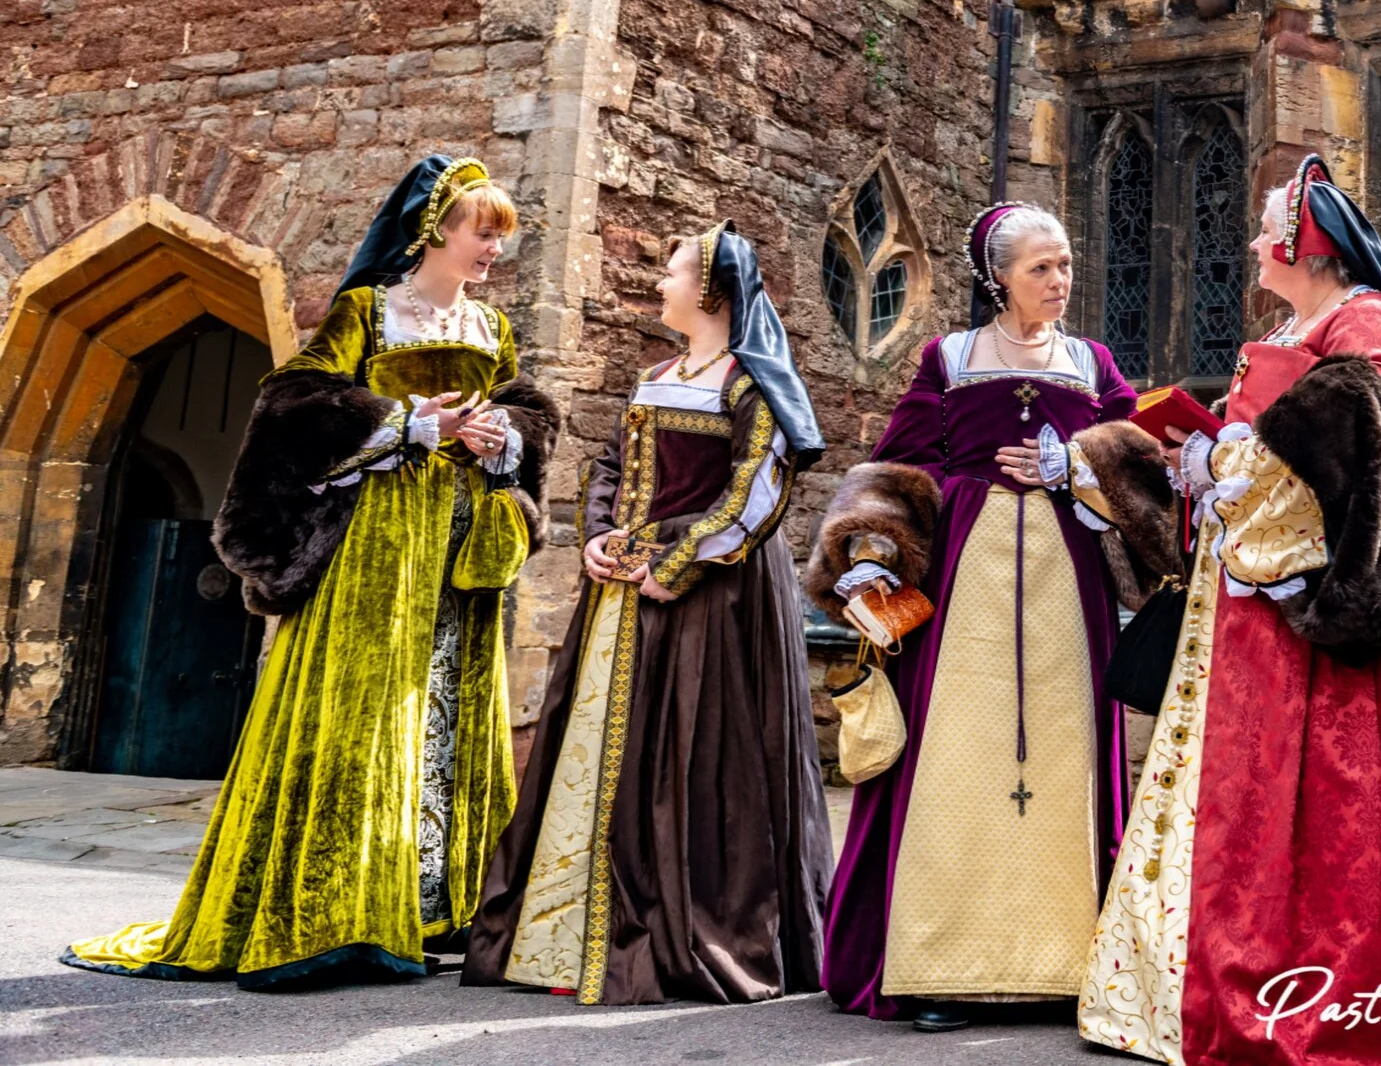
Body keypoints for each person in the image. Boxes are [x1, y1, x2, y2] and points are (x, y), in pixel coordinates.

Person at [65, 155, 559, 989]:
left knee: (442, 721)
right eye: (484, 231)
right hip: (375, 546)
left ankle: (433, 902)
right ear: (437, 228)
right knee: (364, 717)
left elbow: (533, 413)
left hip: (457, 550)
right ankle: (338, 913)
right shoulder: (370, 312)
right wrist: (411, 424)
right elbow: (290, 408)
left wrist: (501, 434)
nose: (493, 251)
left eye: (501, 238)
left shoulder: (492, 328)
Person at [1072, 154, 1381, 1066]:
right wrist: (1201, 458)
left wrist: (1228, 460)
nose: (1258, 247)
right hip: (1246, 587)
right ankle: (1188, 968)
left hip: (1329, 573)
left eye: (1271, 232)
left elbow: (1354, 446)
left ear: (1301, 243)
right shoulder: (1295, 322)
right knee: (1246, 777)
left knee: (1350, 785)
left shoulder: (1363, 318)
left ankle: (1317, 971)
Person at [463, 221, 831, 1004]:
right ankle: (567, 931)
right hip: (626, 591)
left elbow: (758, 487)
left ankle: (678, 926)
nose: (660, 281)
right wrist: (596, 536)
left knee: (697, 755)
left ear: (710, 289)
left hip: (716, 596)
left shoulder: (749, 381)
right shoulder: (656, 373)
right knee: (605, 751)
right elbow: (609, 466)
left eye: (671, 268)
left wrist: (680, 561)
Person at [812, 203, 1157, 1032]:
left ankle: (1069, 966)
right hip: (965, 578)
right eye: (1041, 266)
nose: (1058, 279)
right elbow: (896, 464)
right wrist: (871, 549)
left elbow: (1147, 460)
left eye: (1066, 263)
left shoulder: (1093, 363)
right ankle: (942, 966)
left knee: (1067, 756)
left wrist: (1075, 464)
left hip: (1068, 585)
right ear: (998, 276)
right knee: (953, 756)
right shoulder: (949, 358)